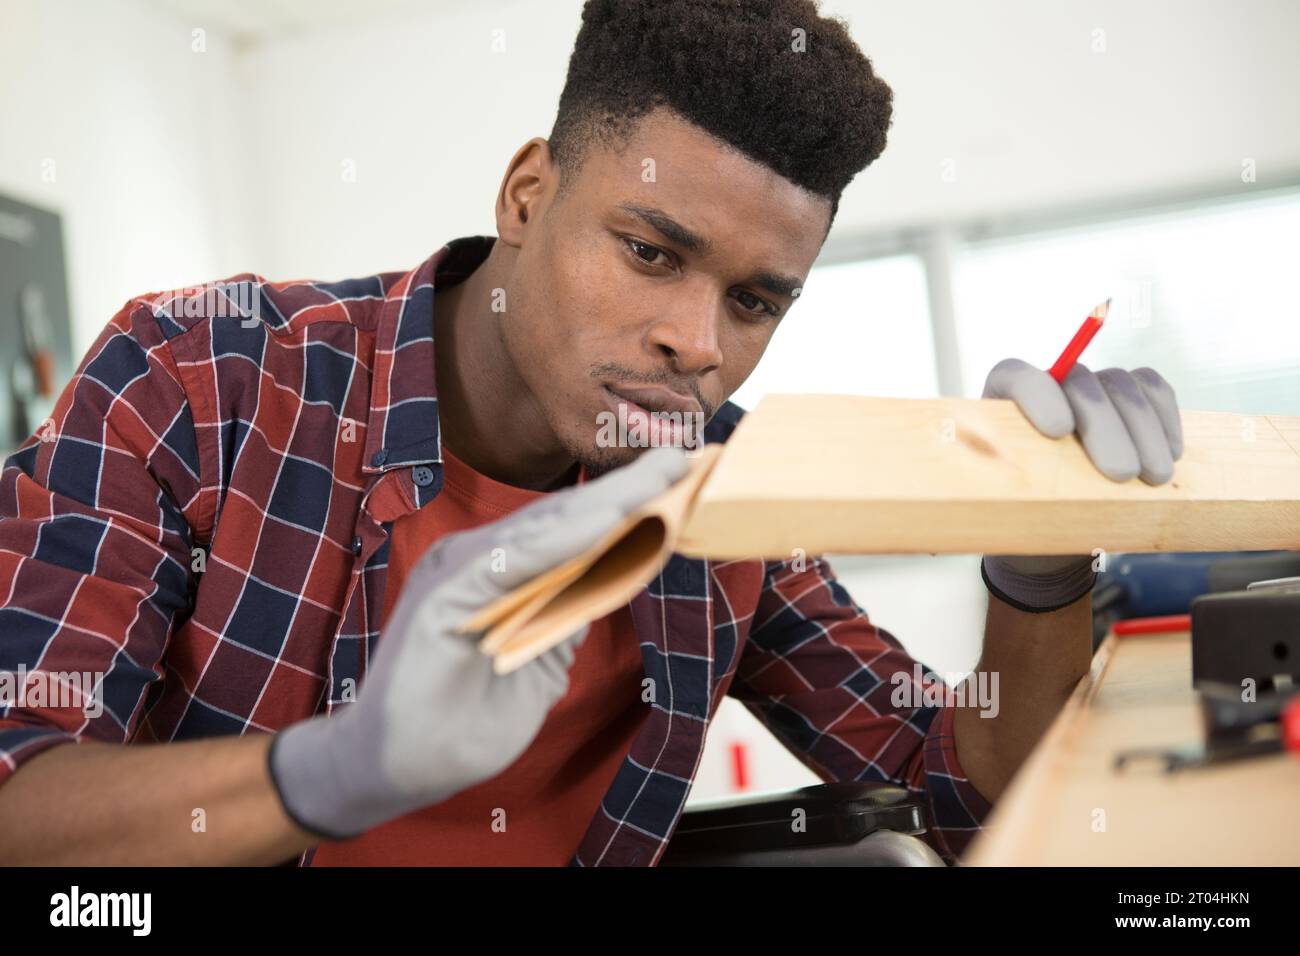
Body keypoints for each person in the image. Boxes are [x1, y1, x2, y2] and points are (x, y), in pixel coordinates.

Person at [0, 0, 1181, 866]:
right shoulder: (202, 378)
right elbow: (19, 798)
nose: (695, 343)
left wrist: (1039, 565)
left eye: (754, 299)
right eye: (650, 251)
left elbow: (964, 797)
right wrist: (330, 771)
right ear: (525, 195)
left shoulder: (724, 496)